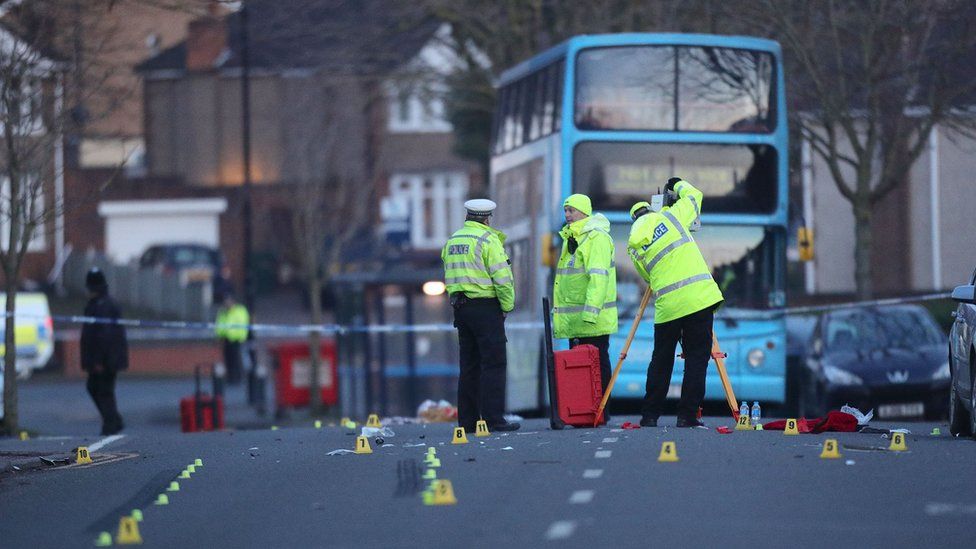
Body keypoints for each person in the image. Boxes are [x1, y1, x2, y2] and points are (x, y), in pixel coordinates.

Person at [627, 178, 724, 428]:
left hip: (667, 306)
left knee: (661, 360)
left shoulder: (634, 246)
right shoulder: (670, 217)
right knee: (696, 359)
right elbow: (695, 196)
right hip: (698, 298)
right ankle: (687, 416)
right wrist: (678, 184)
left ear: (634, 220)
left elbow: (648, 277)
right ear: (652, 209)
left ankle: (650, 416)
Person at [442, 198, 520, 433]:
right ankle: (493, 419)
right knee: (493, 363)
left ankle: (467, 422)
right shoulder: (488, 240)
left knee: (469, 365)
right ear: (487, 219)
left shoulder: (453, 240)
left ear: (468, 216)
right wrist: (506, 306)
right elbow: (502, 279)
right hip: (486, 307)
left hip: (461, 308)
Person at [552, 193, 617, 424]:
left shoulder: (595, 238)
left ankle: (600, 412)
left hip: (592, 318)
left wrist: (591, 313)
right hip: (577, 320)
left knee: (598, 366)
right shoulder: (572, 237)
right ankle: (584, 412)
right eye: (565, 210)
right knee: (581, 369)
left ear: (584, 212)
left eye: (572, 210)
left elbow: (598, 278)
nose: (567, 215)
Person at [80, 267, 128, 435]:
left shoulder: (103, 305)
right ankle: (114, 420)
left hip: (106, 359)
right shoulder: (98, 304)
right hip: (105, 357)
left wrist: (99, 360)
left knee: (103, 391)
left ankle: (111, 424)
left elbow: (104, 336)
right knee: (96, 388)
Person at [215, 292, 249, 385]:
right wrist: (219, 335)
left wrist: (242, 336)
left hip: (237, 339)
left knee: (236, 359)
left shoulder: (240, 310)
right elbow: (219, 324)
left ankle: (238, 378)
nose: (227, 303)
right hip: (226, 338)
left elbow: (243, 323)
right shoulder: (223, 311)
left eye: (228, 301)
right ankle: (230, 378)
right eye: (225, 301)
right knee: (228, 359)